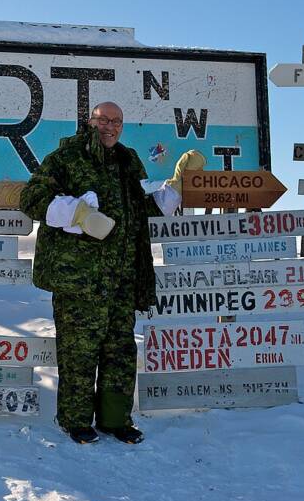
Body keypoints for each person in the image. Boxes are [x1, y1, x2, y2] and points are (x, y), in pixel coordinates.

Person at [19, 101, 205, 444]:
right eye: (103, 119)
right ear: (90, 121)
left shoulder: (126, 160)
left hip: (122, 278)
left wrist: (175, 187)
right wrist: (75, 213)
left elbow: (137, 210)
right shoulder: (67, 157)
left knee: (119, 352)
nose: (110, 126)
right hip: (80, 280)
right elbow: (31, 198)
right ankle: (75, 421)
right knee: (79, 352)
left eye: (116, 121)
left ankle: (116, 420)